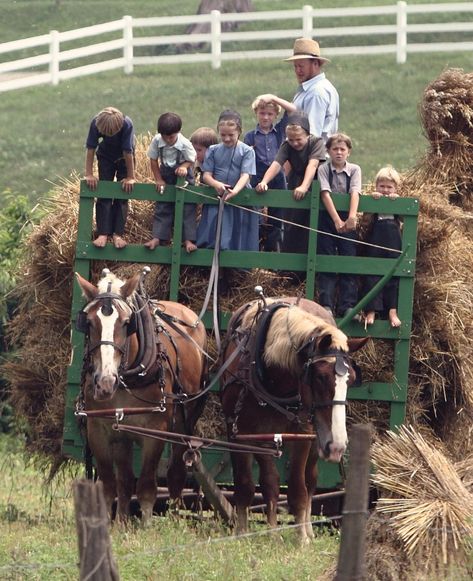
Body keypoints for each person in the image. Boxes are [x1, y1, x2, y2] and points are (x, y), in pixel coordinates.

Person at [255, 111, 326, 258]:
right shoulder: (287, 145)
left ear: (307, 135)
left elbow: (312, 166)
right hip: (296, 182)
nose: (294, 143)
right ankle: (290, 267)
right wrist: (264, 181)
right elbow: (276, 164)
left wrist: (305, 187)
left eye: (298, 139)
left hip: (316, 183)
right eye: (291, 139)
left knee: (314, 225)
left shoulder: (316, 142)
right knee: (292, 224)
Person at [196, 110, 258, 252]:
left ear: (239, 132)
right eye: (223, 135)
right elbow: (206, 175)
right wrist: (216, 184)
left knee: (238, 236)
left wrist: (235, 191)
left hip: (239, 199)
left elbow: (246, 175)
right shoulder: (213, 150)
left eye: (231, 135)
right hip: (217, 198)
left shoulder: (247, 151)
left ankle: (236, 270)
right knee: (214, 235)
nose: (227, 139)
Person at [317, 132, 362, 318]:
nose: (338, 152)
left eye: (342, 149)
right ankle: (326, 304)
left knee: (348, 259)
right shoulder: (323, 169)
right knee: (326, 259)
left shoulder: (354, 170)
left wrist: (351, 217)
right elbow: (325, 194)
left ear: (348, 152)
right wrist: (336, 220)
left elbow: (355, 192)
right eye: (334, 149)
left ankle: (347, 305)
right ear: (328, 151)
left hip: (347, 218)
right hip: (328, 218)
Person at [266, 37, 339, 143]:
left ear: (315, 64)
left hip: (312, 157)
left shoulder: (316, 92)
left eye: (301, 66)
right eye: (295, 66)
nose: (297, 70)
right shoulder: (313, 88)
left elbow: (312, 134)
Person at [244, 95, 293, 251]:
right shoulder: (250, 136)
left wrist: (273, 98)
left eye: (270, 114)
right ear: (256, 113)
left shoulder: (280, 131)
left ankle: (272, 252)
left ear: (275, 115)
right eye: (262, 113)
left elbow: (293, 110)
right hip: (257, 174)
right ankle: (255, 248)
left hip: (277, 175)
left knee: (278, 215)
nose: (265, 117)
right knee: (254, 214)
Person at [145, 112, 197, 253]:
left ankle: (188, 240)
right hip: (166, 174)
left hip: (183, 177)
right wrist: (158, 179)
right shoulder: (157, 141)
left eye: (171, 137)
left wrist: (184, 167)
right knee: (162, 206)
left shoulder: (185, 143)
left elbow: (192, 160)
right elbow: (153, 160)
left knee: (187, 209)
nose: (168, 140)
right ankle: (158, 238)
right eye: (164, 136)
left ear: (178, 132)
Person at [85, 106, 135, 249]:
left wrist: (131, 176)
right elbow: (90, 148)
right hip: (105, 156)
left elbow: (128, 152)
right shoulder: (96, 122)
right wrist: (89, 174)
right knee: (104, 192)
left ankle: (117, 234)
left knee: (123, 193)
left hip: (124, 158)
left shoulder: (127, 124)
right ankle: (103, 233)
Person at [361, 166, 402, 328]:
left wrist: (398, 202)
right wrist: (372, 202)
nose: (385, 190)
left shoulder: (399, 202)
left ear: (396, 188)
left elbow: (408, 219)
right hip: (376, 241)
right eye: (382, 186)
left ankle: (392, 311)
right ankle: (372, 310)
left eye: (389, 187)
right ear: (376, 186)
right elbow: (365, 221)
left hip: (394, 242)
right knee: (373, 275)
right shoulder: (374, 199)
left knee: (393, 276)